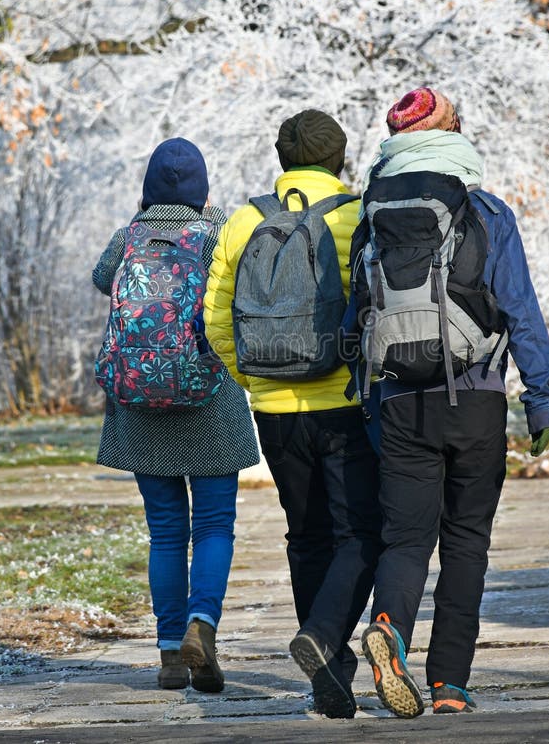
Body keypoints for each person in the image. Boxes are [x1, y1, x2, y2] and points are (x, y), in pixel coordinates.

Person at [356, 87, 549, 718]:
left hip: (397, 401)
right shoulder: (485, 212)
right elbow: (520, 308)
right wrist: (541, 396)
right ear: (456, 136)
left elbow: (355, 313)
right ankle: (449, 684)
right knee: (467, 539)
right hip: (474, 399)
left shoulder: (374, 216)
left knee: (406, 540)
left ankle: (388, 625)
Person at [203, 110, 382, 719]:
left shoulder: (245, 220)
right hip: (344, 406)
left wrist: (251, 376)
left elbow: (216, 314)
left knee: (304, 538)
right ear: (340, 159)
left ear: (282, 160)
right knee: (361, 533)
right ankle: (327, 639)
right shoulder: (358, 216)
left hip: (273, 409)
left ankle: (327, 680)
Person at [92, 137, 260, 693]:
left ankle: (169, 653)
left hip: (141, 404)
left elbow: (102, 279)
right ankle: (202, 625)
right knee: (214, 525)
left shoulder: (129, 240)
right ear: (202, 189)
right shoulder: (215, 236)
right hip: (209, 399)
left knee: (165, 534)